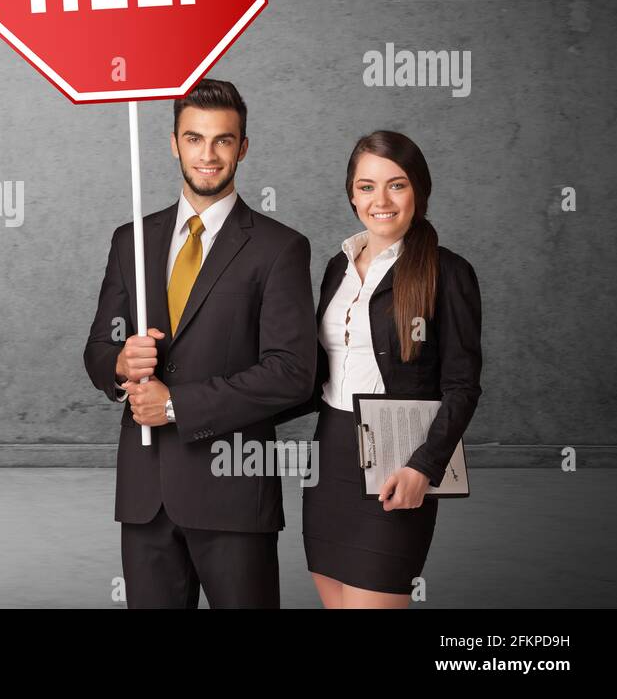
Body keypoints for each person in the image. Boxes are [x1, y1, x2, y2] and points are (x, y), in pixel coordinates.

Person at [83, 79, 316, 608]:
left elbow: (292, 372)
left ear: (243, 147)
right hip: (145, 498)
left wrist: (175, 405)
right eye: (194, 139)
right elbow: (98, 347)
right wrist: (120, 363)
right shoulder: (131, 240)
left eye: (223, 140)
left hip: (234, 491)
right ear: (173, 143)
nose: (207, 155)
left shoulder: (280, 249)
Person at [275, 131, 482, 608]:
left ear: (419, 191)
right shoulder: (337, 267)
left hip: (398, 460)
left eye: (397, 185)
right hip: (329, 457)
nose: (381, 200)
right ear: (352, 193)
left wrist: (422, 467)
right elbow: (315, 376)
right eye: (367, 186)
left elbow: (462, 386)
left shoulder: (447, 273)